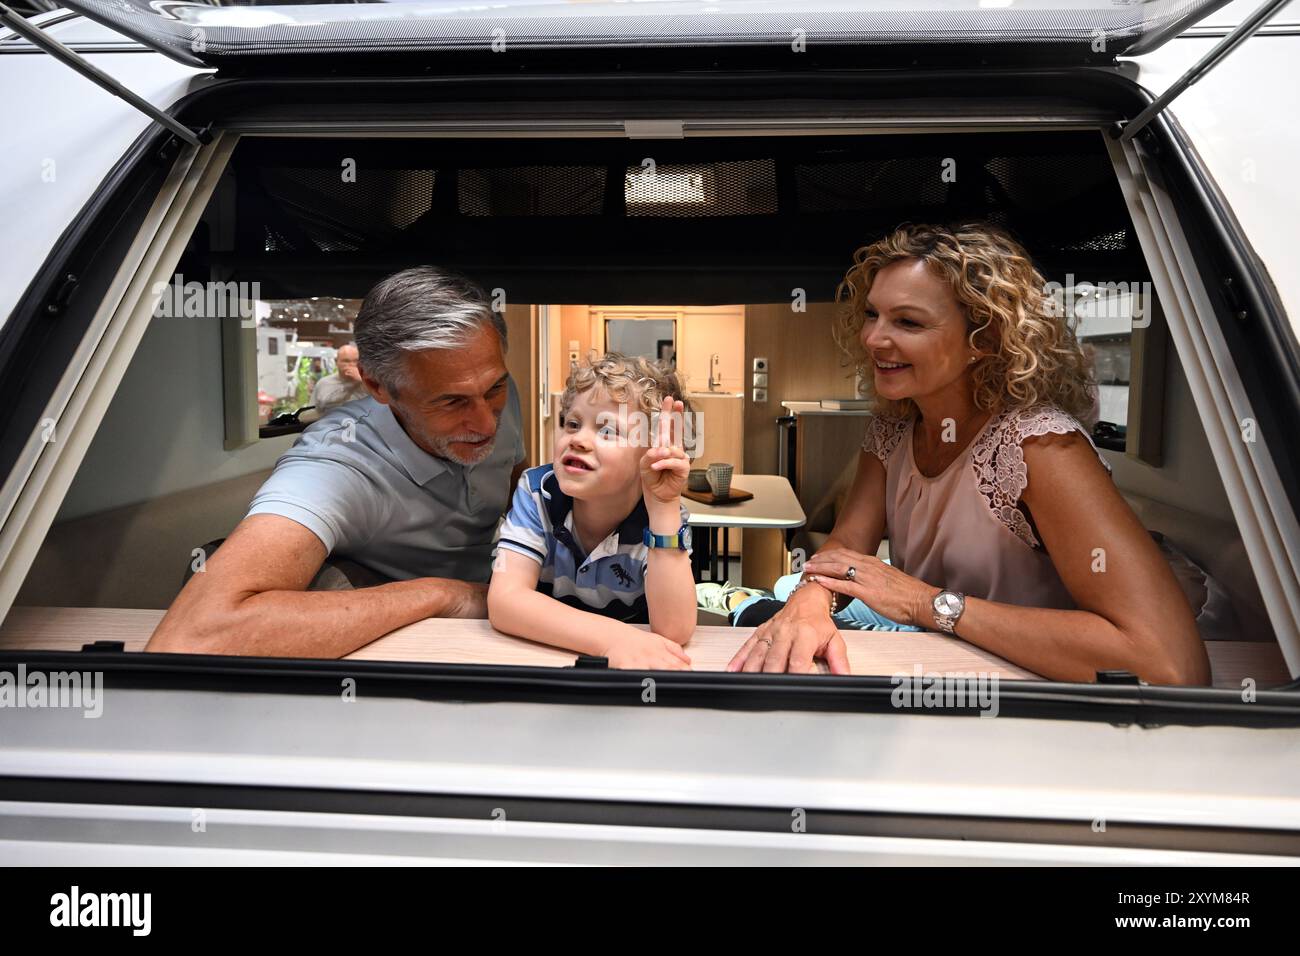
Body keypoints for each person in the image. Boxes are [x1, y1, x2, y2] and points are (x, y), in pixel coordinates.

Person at [727, 222, 1210, 685]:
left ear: (986, 337)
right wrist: (811, 598)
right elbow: (847, 546)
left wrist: (924, 603)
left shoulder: (1042, 448)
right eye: (873, 314)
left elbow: (1167, 663)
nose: (873, 338)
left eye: (908, 321)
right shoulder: (894, 427)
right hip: (939, 675)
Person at [147, 267, 526, 657]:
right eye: (451, 401)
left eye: (493, 388)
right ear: (378, 385)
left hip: (500, 615)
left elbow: (518, 487)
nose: (485, 422)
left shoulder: (498, 392)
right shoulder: (332, 464)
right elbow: (197, 633)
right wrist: (446, 594)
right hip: (401, 642)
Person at [488, 354, 697, 670]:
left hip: (631, 675)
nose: (579, 440)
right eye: (573, 424)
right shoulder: (537, 492)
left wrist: (664, 508)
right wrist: (611, 640)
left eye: (608, 430)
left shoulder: (662, 518)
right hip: (548, 663)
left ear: (652, 454)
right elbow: (505, 601)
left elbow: (674, 631)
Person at [309, 343, 368, 414]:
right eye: (346, 361)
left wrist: (362, 380)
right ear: (336, 362)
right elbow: (312, 411)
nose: (352, 365)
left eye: (356, 361)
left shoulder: (369, 382)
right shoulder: (324, 383)